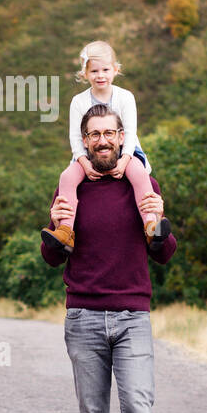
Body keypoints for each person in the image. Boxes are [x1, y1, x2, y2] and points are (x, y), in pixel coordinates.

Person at [41, 103, 187, 413]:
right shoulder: (73, 188)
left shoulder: (143, 185)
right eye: (95, 134)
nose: (103, 140)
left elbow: (164, 253)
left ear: (122, 136)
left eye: (110, 132)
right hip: (82, 315)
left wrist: (160, 223)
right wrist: (54, 223)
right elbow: (51, 257)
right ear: (84, 141)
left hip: (132, 317)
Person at [41, 39, 157, 254]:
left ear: (115, 70)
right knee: (66, 178)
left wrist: (125, 159)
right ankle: (65, 231)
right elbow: (76, 137)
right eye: (94, 71)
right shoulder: (78, 101)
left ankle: (151, 226)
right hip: (88, 154)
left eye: (105, 69)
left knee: (140, 175)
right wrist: (83, 163)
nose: (100, 75)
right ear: (85, 73)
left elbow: (130, 132)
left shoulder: (125, 97)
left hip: (125, 150)